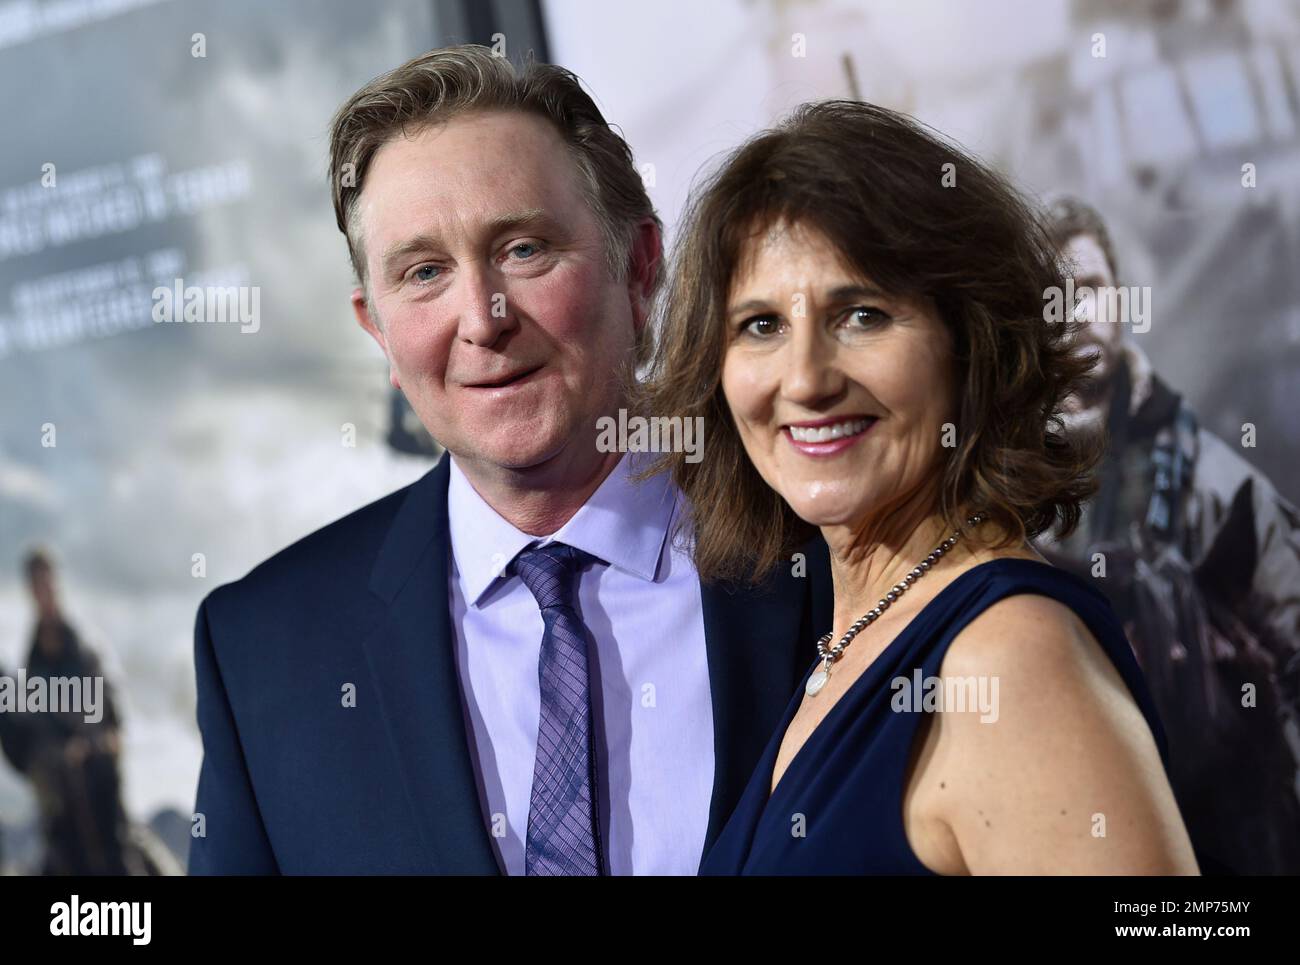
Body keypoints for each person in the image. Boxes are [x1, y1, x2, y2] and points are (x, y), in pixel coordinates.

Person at [187, 46, 831, 875]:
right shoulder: (264, 654)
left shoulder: (825, 538)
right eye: (423, 273)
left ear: (639, 268)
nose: (483, 318)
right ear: (377, 331)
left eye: (524, 249)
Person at [638, 99, 1199, 874]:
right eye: (761, 324)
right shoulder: (849, 641)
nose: (805, 379)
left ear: (969, 343)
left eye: (862, 314)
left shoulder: (1007, 660)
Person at [1039, 197, 1300, 875]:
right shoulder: (992, 503)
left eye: (1090, 289)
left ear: (1120, 302)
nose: (1074, 314)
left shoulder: (1212, 486)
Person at [0, 548, 131, 875]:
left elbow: (114, 725)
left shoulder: (87, 653)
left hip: (102, 807)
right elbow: (20, 745)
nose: (43, 592)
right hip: (60, 819)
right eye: (36, 584)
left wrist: (89, 747)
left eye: (47, 582)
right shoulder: (30, 667)